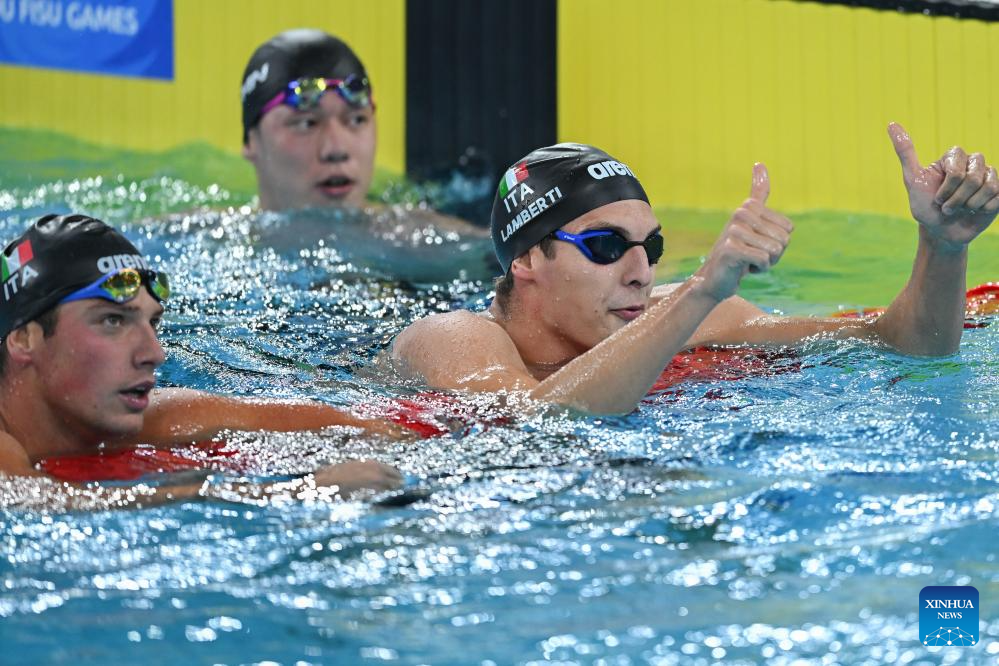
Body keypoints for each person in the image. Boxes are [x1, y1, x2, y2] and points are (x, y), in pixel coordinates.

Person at [391, 123, 998, 414]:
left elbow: (908, 345)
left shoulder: (690, 315)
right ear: (525, 259)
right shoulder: (454, 337)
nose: (640, 274)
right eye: (605, 246)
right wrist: (703, 289)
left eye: (649, 249)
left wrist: (942, 246)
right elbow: (533, 421)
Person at [0, 214, 405, 509]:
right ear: (24, 338)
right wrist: (298, 491)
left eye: (153, 321)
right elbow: (38, 501)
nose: (155, 353)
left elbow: (371, 431)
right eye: (112, 320)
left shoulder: (151, 417)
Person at [240, 28, 488, 231]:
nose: (336, 149)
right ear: (251, 142)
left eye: (356, 120)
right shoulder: (210, 240)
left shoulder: (427, 240)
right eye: (307, 123)